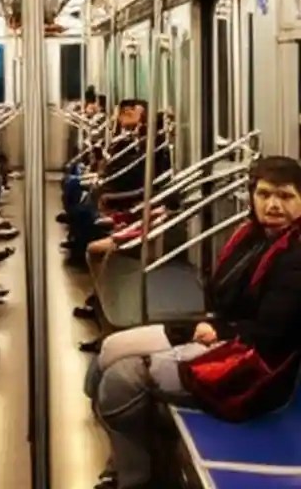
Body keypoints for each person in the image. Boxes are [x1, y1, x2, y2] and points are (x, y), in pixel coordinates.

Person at [83, 156, 301, 489]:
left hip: (257, 368)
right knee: (109, 351)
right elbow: (220, 298)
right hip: (222, 335)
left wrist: (219, 332)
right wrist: (205, 330)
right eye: (265, 194)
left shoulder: (294, 256)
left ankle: (135, 477)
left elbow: (272, 335)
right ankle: (130, 447)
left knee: (121, 380)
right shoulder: (250, 237)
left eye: (286, 197)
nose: (273, 205)